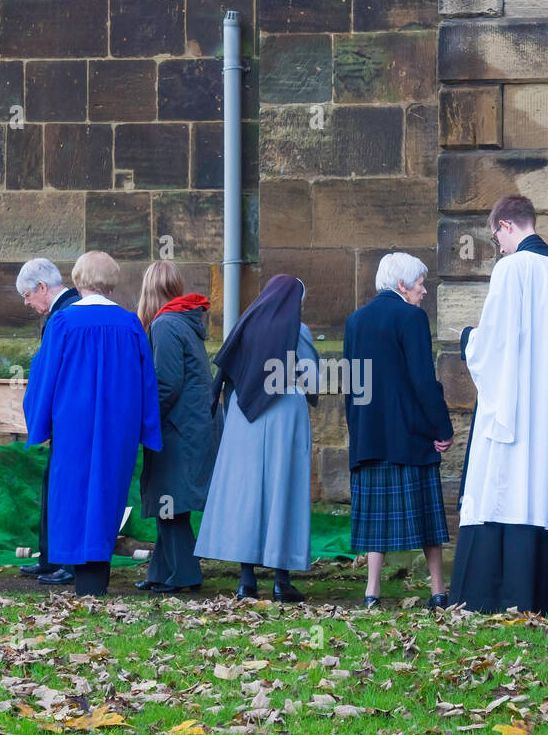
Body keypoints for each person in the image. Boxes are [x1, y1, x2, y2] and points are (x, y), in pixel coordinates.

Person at [449, 195, 548, 615]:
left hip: (519, 410)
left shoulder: (511, 269)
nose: (496, 244)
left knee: (509, 487)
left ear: (507, 226)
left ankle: (497, 597)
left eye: (495, 233)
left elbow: (495, 341)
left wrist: (467, 340)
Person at [22, 251, 161, 596]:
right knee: (107, 491)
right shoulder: (130, 324)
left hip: (73, 425)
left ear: (78, 279)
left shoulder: (63, 324)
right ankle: (97, 577)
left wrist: (39, 422)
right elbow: (147, 382)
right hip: (118, 427)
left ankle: (79, 577)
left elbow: (44, 376)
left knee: (71, 493)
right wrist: (147, 427)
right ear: (110, 281)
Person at [195, 274, 317, 602]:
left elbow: (227, 370)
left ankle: (246, 582)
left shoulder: (244, 326)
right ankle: (281, 580)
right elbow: (314, 381)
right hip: (285, 414)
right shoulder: (297, 332)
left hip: (243, 415)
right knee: (283, 492)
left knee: (246, 497)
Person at [343, 253, 453, 608]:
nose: (424, 291)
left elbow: (352, 384)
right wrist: (442, 428)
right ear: (402, 285)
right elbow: (424, 380)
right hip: (410, 435)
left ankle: (372, 591)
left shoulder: (355, 321)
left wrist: (358, 433)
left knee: (377, 520)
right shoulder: (412, 318)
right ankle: (438, 590)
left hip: (370, 436)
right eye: (420, 283)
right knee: (428, 519)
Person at [134, 260, 221, 593]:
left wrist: (145, 423)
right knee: (167, 500)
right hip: (193, 427)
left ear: (149, 290)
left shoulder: (165, 324)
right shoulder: (181, 321)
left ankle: (185, 574)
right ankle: (161, 571)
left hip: (178, 430)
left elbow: (166, 384)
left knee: (170, 500)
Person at [14, 258, 80, 587]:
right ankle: (50, 557)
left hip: (70, 419)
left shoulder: (66, 315)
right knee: (52, 485)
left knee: (64, 488)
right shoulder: (64, 312)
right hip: (67, 418)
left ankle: (63, 561)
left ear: (42, 287)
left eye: (27, 295)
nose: (27, 303)